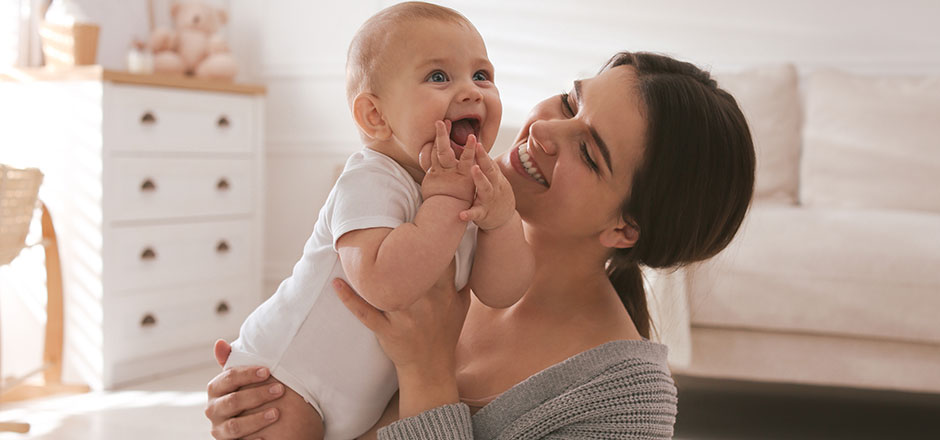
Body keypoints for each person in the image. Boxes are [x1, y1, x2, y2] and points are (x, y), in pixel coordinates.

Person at [205, 51, 756, 439]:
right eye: (569, 102)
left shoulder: (623, 404)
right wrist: (266, 397)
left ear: (624, 229)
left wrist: (426, 374)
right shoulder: (430, 224)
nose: (543, 131)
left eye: (589, 153)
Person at [220, 3, 534, 439]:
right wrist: (444, 199)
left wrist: (500, 220)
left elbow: (503, 292)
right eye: (439, 76)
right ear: (376, 116)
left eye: (482, 75)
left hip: (361, 402)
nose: (471, 91)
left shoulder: (471, 187)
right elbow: (386, 285)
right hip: (286, 380)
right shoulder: (370, 178)